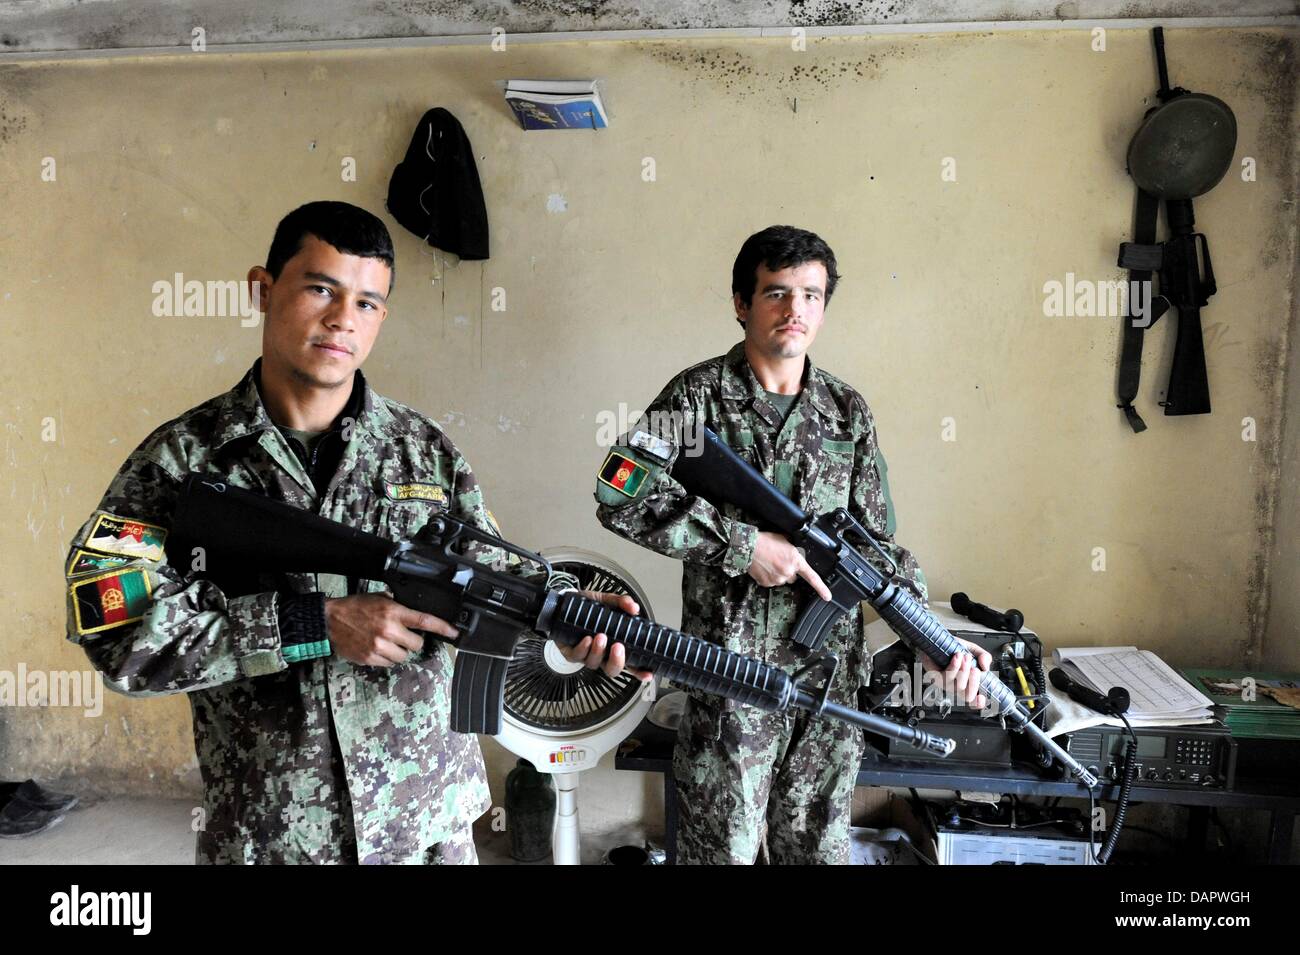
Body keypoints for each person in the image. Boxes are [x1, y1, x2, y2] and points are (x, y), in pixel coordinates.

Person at [64, 200, 641, 864]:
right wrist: (314, 621)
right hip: (275, 835)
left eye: (368, 303)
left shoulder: (425, 451)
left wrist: (568, 608)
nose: (343, 318)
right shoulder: (180, 463)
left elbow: (493, 570)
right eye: (320, 289)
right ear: (262, 289)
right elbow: (121, 639)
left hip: (426, 824)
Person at [595, 225, 990, 864]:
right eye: (777, 293)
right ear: (741, 303)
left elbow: (879, 548)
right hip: (729, 680)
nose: (795, 310)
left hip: (830, 692)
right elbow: (618, 491)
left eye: (811, 294)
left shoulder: (847, 411)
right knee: (719, 853)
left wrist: (933, 636)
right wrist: (740, 544)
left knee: (817, 853)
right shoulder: (692, 399)